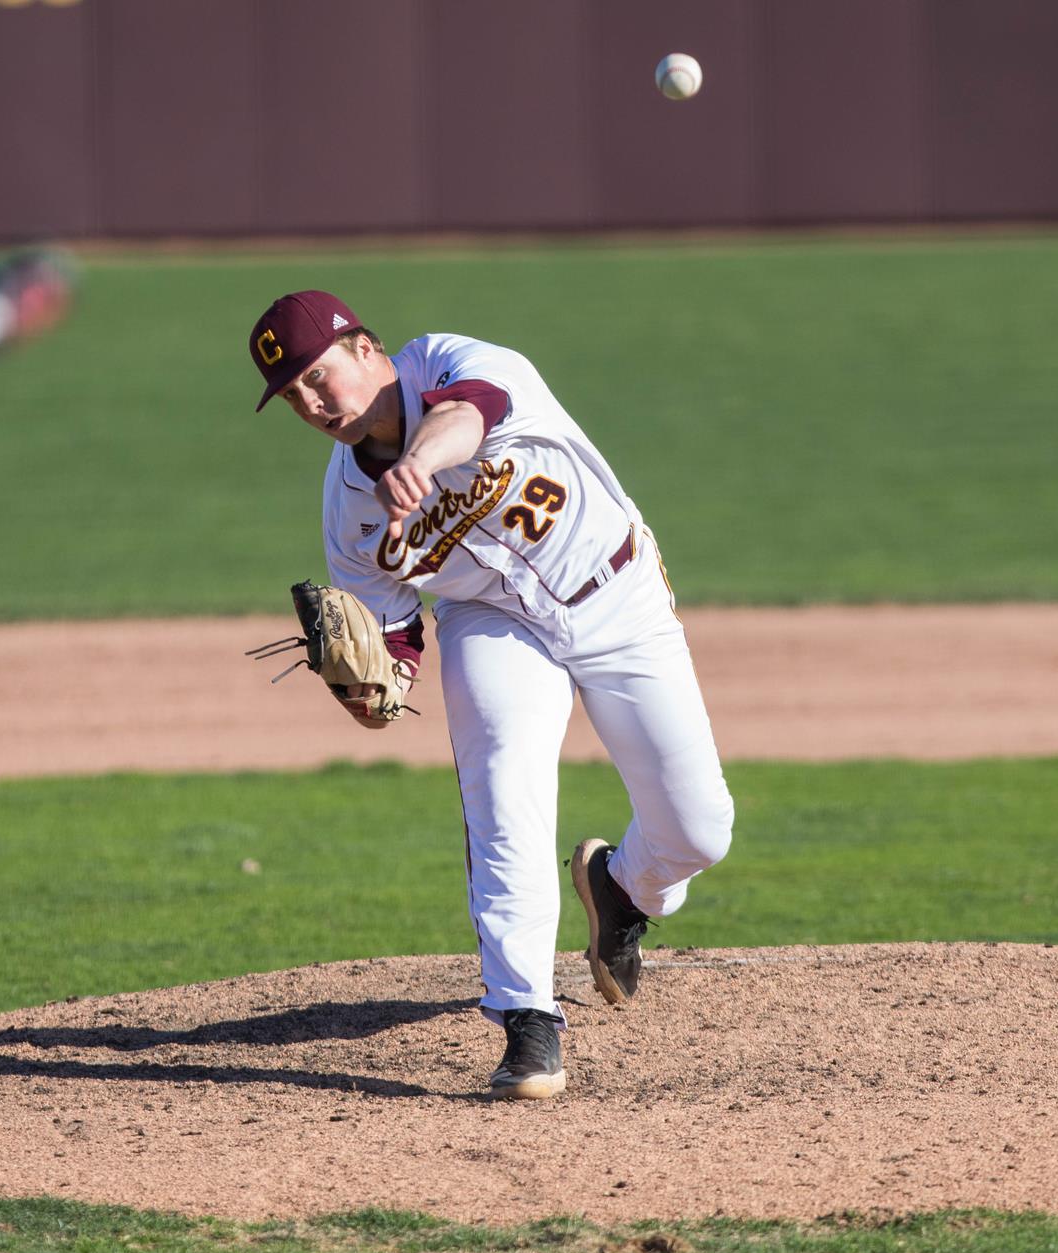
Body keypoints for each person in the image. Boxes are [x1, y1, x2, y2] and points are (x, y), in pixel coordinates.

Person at [248, 291, 735, 1100]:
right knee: (502, 780)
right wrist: (375, 692)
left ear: (367, 348)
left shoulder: (453, 361)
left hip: (615, 591)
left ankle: (623, 888)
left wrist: (419, 462)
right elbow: (394, 638)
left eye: (317, 375)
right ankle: (527, 1018)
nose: (312, 403)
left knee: (699, 830)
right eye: (292, 395)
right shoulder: (348, 512)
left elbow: (472, 413)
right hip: (493, 621)